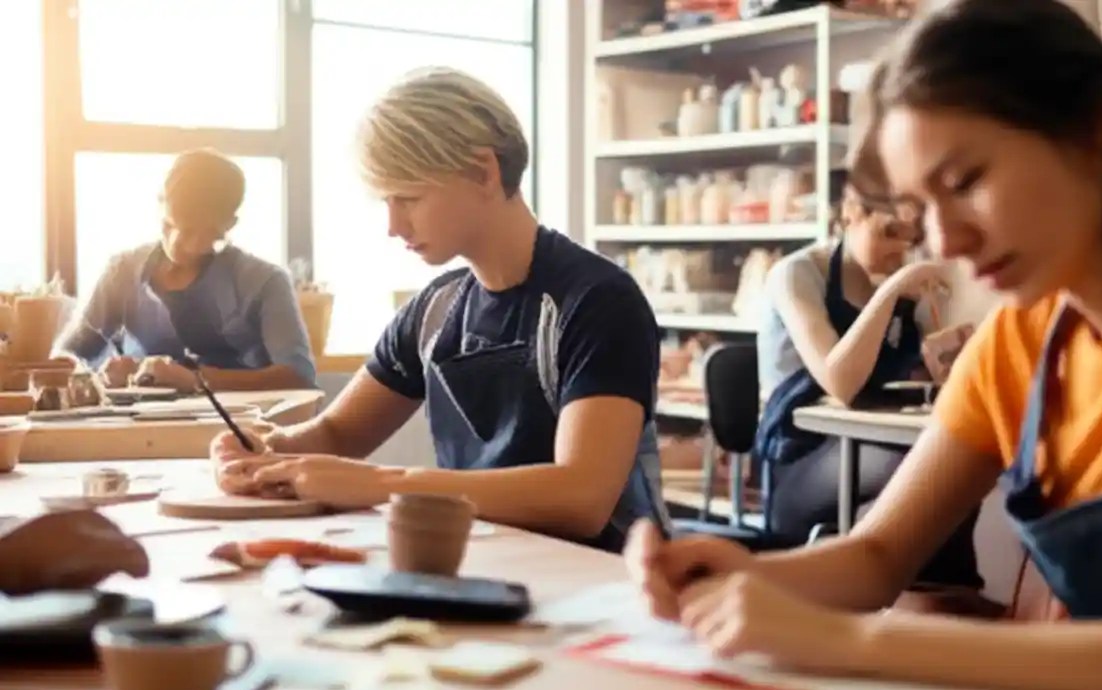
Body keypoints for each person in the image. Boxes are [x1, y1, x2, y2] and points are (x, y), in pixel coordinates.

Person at [624, 0, 1102, 690]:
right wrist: (738, 575)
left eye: (965, 182)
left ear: (1093, 127)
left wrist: (854, 642)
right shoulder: (1017, 344)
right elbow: (877, 557)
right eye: (919, 208)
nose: (944, 241)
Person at [212, 68, 669, 553]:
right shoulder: (435, 311)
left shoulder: (597, 301)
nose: (392, 225)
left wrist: (380, 483)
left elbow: (581, 497)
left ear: (483, 172)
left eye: (408, 198)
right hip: (488, 566)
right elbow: (337, 432)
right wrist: (266, 449)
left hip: (606, 579)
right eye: (386, 201)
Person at [754, 179, 986, 603]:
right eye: (888, 233)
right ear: (850, 214)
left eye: (910, 239)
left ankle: (946, 595)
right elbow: (841, 381)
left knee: (961, 456)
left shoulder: (899, 284)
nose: (900, 250)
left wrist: (947, 358)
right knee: (929, 468)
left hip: (864, 445)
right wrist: (892, 290)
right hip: (799, 459)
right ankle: (935, 596)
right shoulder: (796, 275)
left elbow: (914, 379)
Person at [52, 149, 316, 392]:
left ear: (229, 224)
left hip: (239, 421)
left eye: (201, 232)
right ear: (159, 204)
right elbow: (68, 356)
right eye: (170, 225)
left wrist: (196, 379)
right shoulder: (122, 273)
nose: (181, 244)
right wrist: (94, 376)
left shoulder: (264, 282)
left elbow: (299, 375)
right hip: (141, 422)